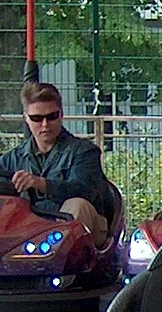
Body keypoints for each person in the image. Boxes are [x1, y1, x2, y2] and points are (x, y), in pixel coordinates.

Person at [0, 81, 113, 246]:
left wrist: (41, 184)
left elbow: (86, 190)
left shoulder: (84, 151)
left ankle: (61, 258)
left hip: (84, 229)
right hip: (30, 233)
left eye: (51, 116)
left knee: (77, 205)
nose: (45, 124)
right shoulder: (13, 158)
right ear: (26, 119)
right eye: (37, 118)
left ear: (61, 114)